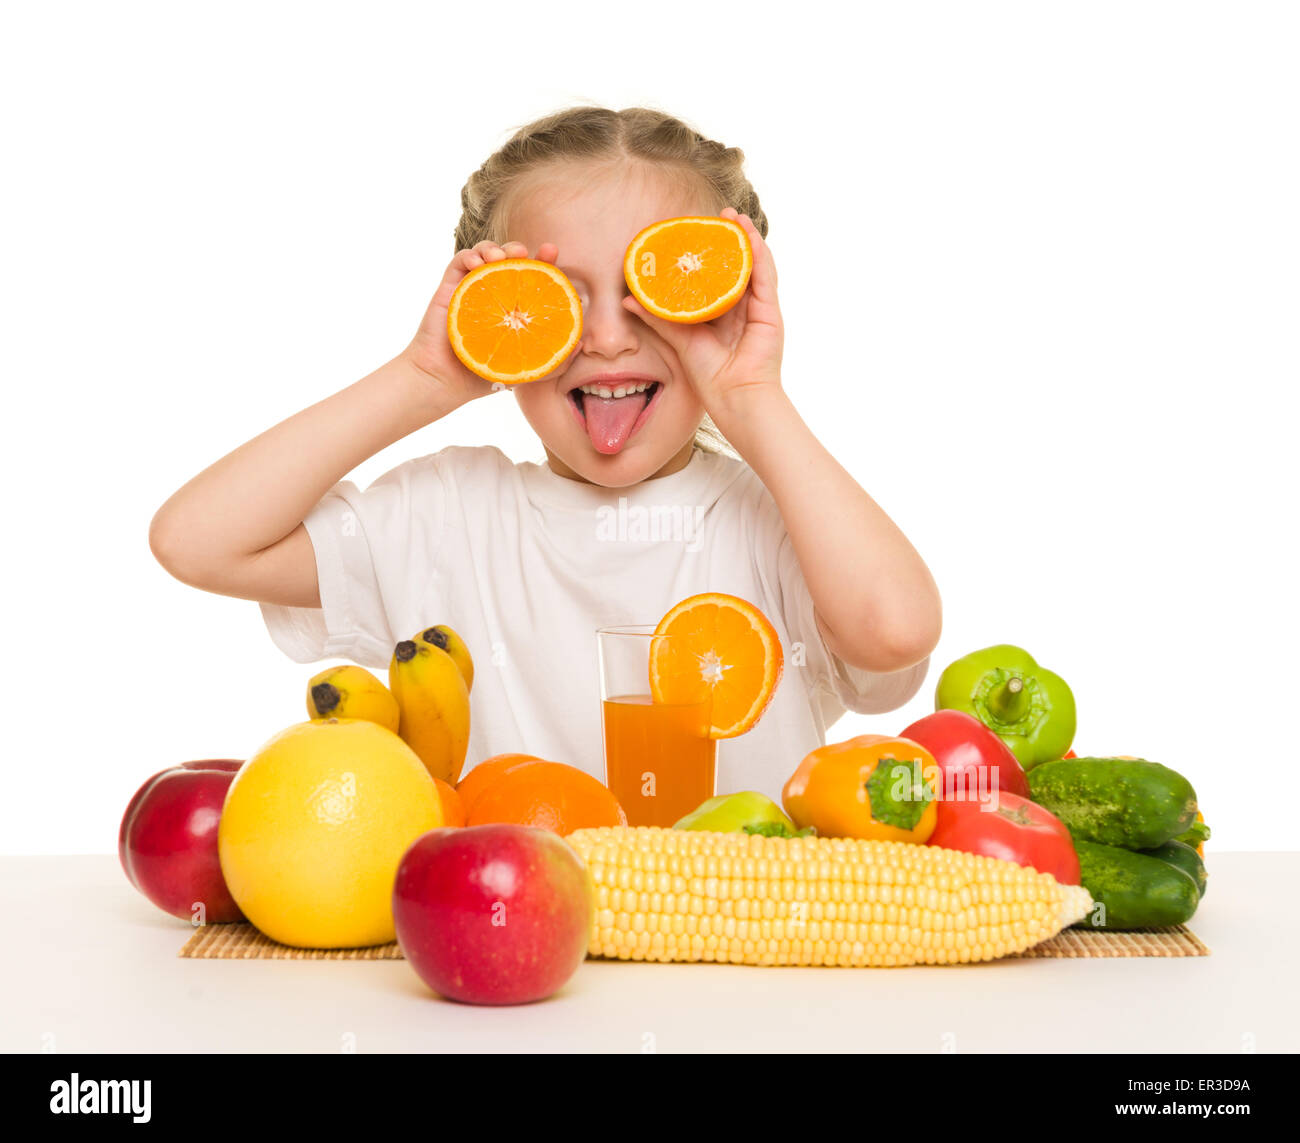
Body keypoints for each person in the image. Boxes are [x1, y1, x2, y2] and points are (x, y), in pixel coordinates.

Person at [149, 105, 943, 798]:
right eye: (559, 299)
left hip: (739, 965)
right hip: (507, 947)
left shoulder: (777, 521)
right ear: (496, 315)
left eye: (654, 294)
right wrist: (424, 378)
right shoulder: (446, 514)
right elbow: (195, 540)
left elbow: (897, 629)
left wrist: (751, 397)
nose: (604, 338)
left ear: (724, 298)